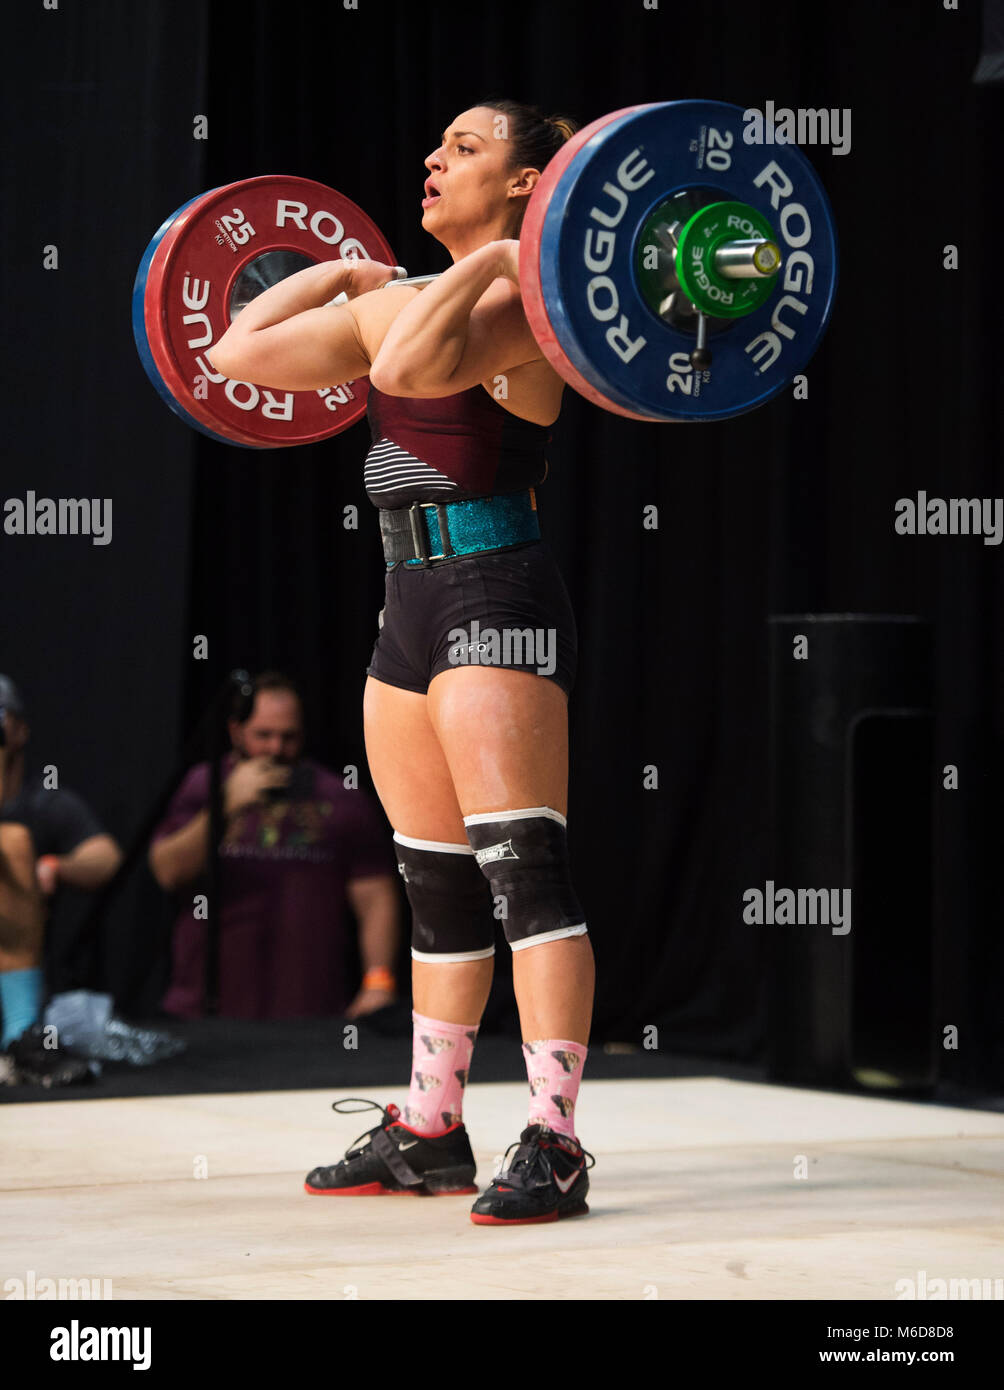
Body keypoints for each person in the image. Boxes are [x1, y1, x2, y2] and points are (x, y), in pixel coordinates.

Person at [208, 101, 595, 1225]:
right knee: (433, 879)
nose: (430, 158)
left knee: (522, 869)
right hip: (406, 601)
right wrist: (340, 271)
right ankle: (431, 1126)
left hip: (495, 590)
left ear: (530, 184)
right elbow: (235, 355)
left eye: (466, 148)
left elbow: (419, 368)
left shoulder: (532, 298)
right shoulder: (415, 298)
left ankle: (555, 1136)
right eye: (432, 143)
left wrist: (460, 272)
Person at [148, 671, 400, 1021]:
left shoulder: (341, 797)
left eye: (289, 737)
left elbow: (375, 897)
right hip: (205, 1008)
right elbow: (168, 872)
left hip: (310, 1010)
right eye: (263, 736)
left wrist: (378, 981)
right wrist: (226, 804)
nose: (276, 749)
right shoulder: (202, 784)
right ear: (235, 731)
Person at [0, 674, 123, 1085]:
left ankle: (18, 1037)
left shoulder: (43, 803)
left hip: (18, 975)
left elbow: (106, 858)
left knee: (16, 843)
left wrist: (55, 867)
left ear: (19, 729)